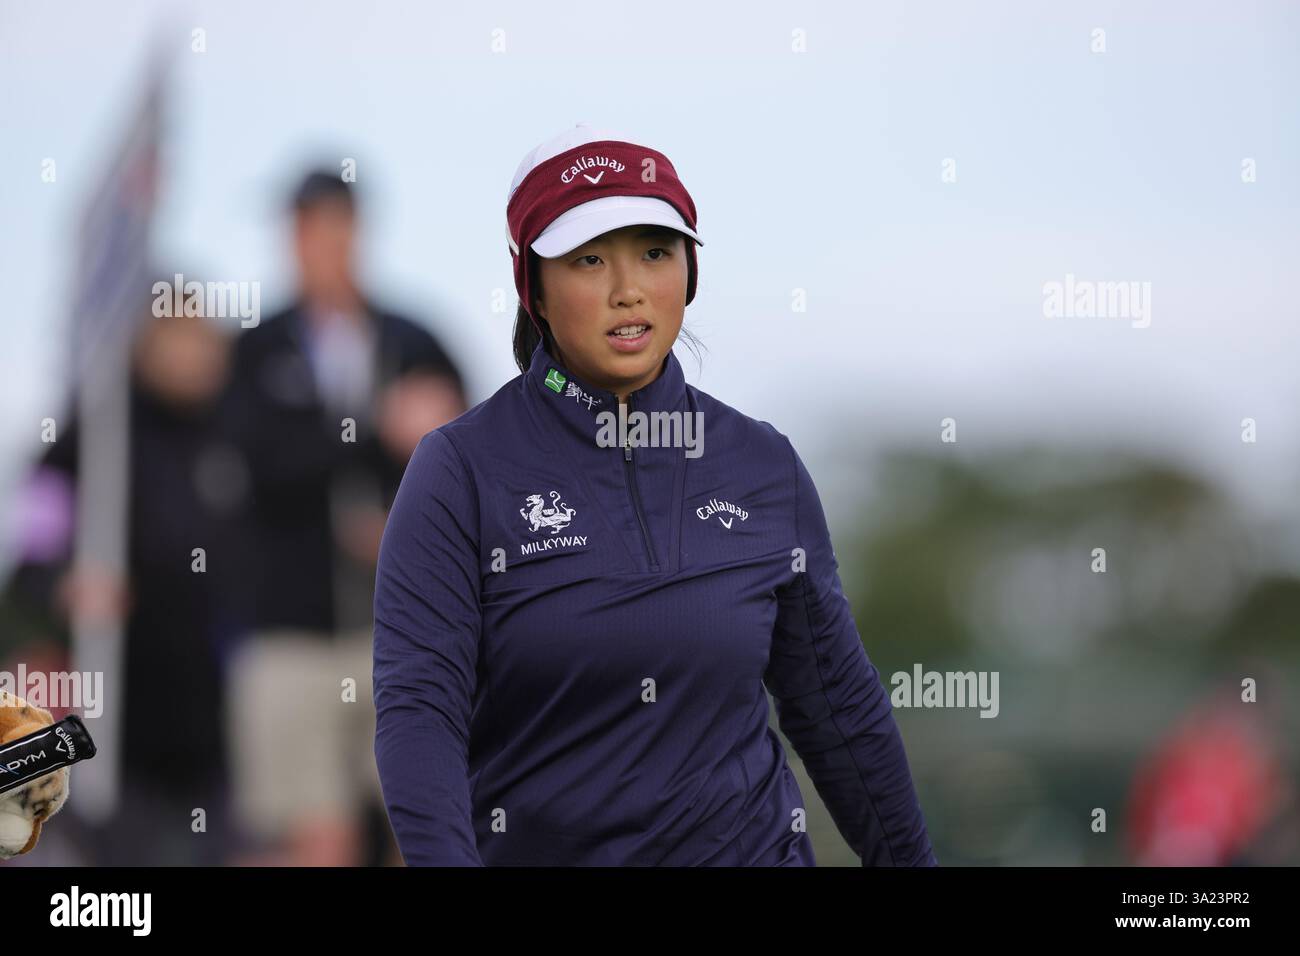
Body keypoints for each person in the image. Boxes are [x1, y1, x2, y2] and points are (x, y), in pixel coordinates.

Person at [373, 123, 937, 866]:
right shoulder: (459, 471)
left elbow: (837, 712)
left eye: (654, 252)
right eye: (589, 258)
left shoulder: (763, 464)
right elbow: (420, 717)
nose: (627, 288)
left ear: (690, 270)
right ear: (532, 285)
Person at [220, 169, 468, 866]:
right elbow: (254, 465)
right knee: (313, 839)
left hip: (407, 636)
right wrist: (374, 425)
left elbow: (474, 460)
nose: (318, 245)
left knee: (421, 826)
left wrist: (408, 528)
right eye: (305, 229)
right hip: (289, 633)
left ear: (357, 231)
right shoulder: (255, 348)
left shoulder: (417, 338)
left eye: (333, 227)